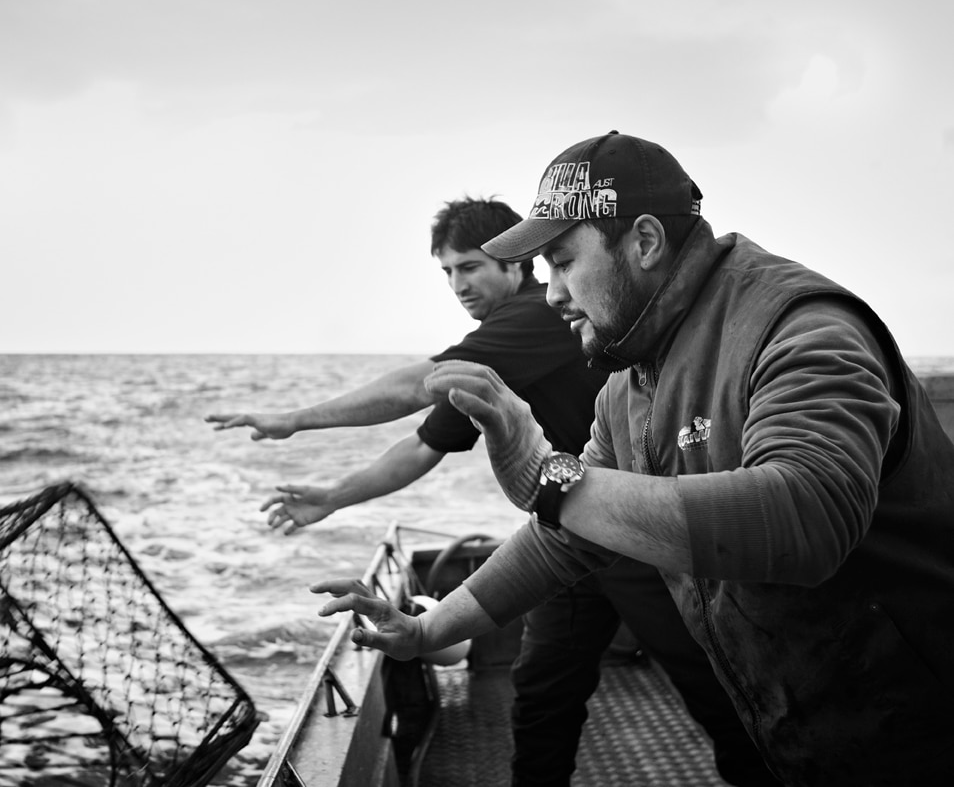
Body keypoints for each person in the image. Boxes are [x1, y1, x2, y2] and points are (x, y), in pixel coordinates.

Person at [312, 131, 954, 786]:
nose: (555, 294)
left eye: (563, 261)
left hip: (918, 735)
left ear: (644, 241)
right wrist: (428, 631)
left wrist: (546, 478)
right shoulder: (628, 382)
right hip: (799, 736)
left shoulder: (798, 326)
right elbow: (562, 539)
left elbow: (808, 517)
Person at [208, 197, 774, 786]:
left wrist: (294, 418)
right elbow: (424, 447)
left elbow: (417, 386)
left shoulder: (536, 317)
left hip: (633, 529)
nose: (458, 284)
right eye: (448, 272)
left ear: (515, 263)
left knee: (715, 685)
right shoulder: (495, 349)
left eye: (471, 266)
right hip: (569, 534)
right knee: (542, 689)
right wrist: (331, 499)